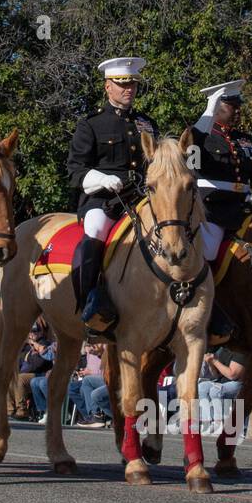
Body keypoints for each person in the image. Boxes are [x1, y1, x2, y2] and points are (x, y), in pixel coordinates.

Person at [65, 56, 158, 336]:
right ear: (108, 87)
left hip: (141, 197)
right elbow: (75, 171)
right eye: (122, 84)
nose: (129, 89)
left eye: (132, 84)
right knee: (95, 229)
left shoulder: (147, 123)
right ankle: (90, 302)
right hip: (103, 199)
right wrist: (102, 179)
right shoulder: (91, 124)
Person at [192, 79, 252, 344]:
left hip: (245, 208)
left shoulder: (246, 140)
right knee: (205, 253)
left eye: (238, 105)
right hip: (212, 209)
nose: (237, 110)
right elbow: (189, 164)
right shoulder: (200, 138)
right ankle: (204, 313)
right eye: (231, 105)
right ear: (216, 106)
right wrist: (205, 115)